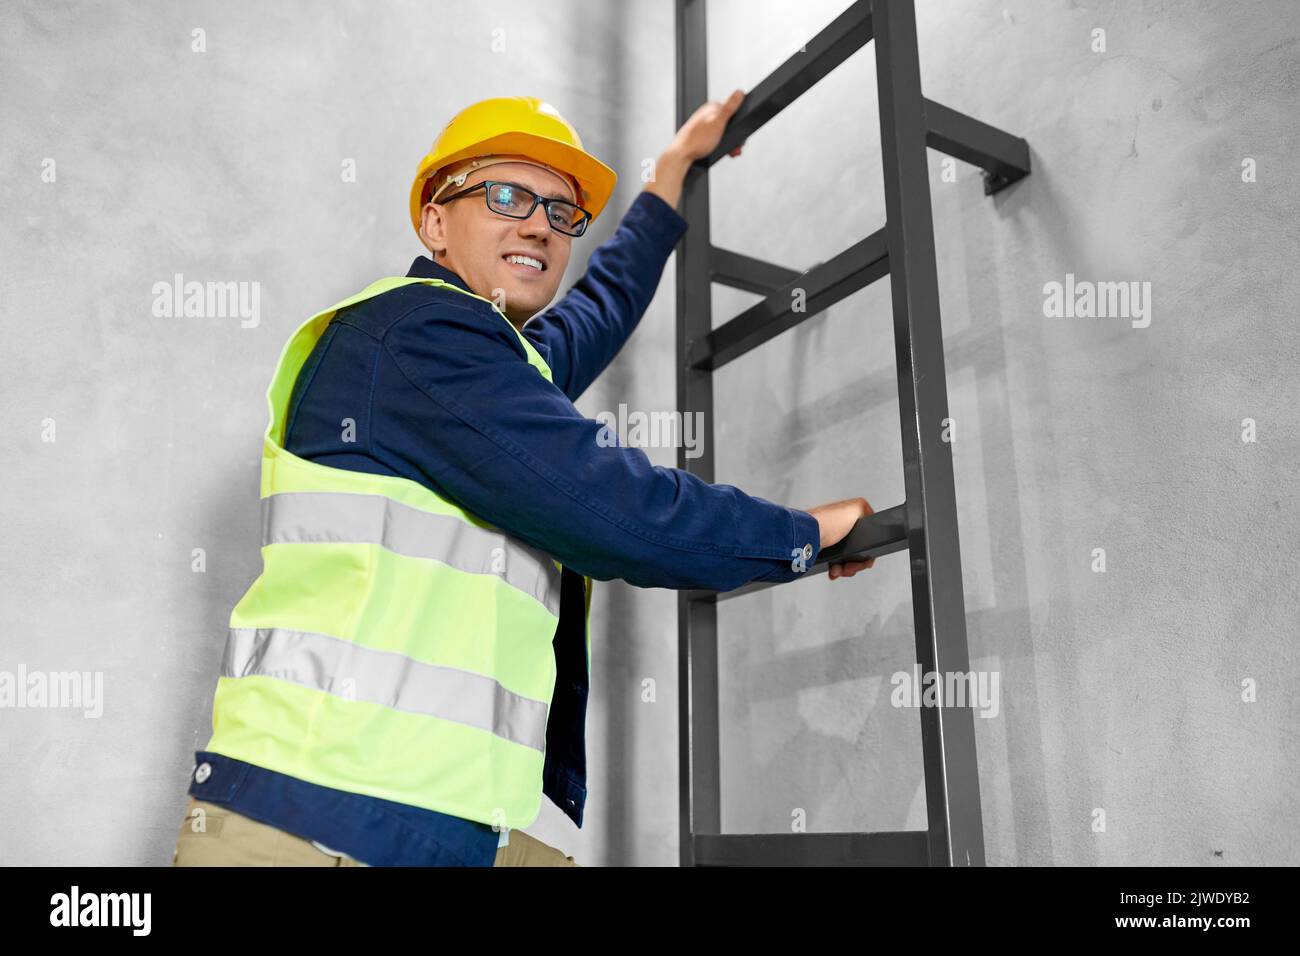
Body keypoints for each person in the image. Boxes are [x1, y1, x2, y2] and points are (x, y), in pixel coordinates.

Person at [172, 92, 874, 868]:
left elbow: (597, 311)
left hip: (446, 816)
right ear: (435, 222)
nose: (540, 225)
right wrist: (802, 537)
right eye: (506, 196)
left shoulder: (490, 368)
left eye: (563, 213)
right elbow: (615, 510)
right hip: (321, 816)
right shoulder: (415, 338)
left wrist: (672, 171)